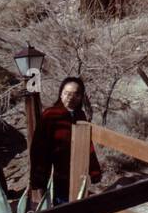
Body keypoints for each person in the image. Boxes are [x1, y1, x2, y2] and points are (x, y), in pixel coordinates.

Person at [29, 77, 102, 206]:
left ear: (81, 97)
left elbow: (87, 144)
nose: (71, 97)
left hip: (78, 171)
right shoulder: (50, 115)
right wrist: (38, 177)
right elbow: (38, 148)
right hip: (56, 174)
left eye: (76, 94)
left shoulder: (80, 115)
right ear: (61, 94)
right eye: (67, 93)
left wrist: (94, 170)